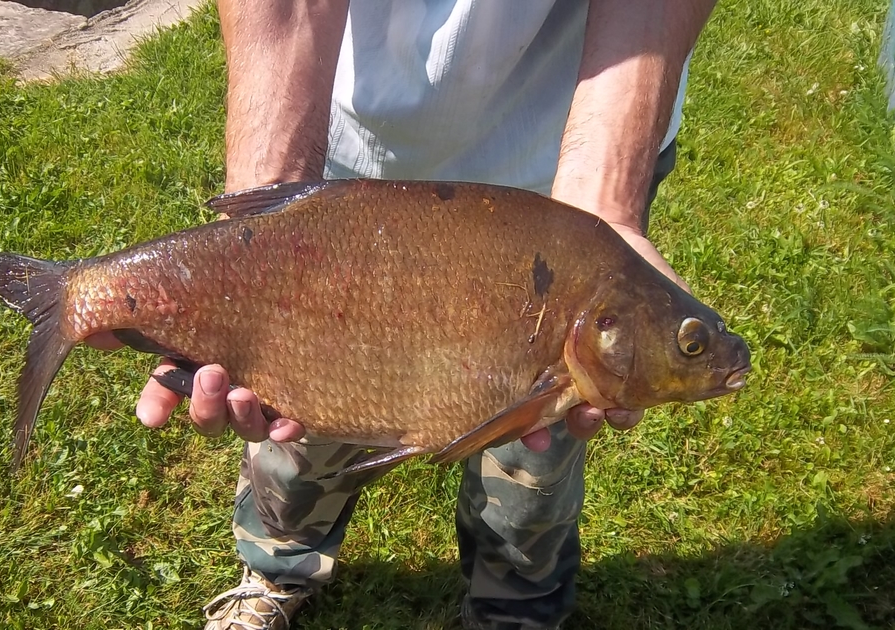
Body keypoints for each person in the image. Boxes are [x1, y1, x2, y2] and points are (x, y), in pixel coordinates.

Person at [92, 0, 716, 628]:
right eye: (692, 344)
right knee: (300, 406)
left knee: (537, 447)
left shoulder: (596, 279)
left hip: (567, 177)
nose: (702, 353)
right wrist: (256, 246)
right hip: (347, 167)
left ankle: (513, 610)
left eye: (691, 345)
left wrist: (603, 206)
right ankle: (277, 566)